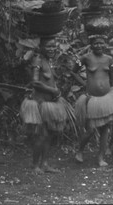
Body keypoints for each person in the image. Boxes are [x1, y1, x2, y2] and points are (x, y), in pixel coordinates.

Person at [20, 36, 74, 174]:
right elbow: (35, 82)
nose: (52, 49)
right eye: (48, 46)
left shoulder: (49, 62)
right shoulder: (38, 60)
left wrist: (56, 92)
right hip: (39, 104)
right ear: (41, 47)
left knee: (49, 134)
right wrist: (53, 90)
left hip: (50, 103)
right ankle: (35, 165)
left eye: (53, 46)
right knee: (41, 135)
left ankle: (44, 164)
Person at [73, 34, 113, 167]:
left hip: (106, 98)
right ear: (91, 45)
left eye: (101, 43)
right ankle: (80, 150)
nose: (99, 46)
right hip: (92, 99)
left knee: (105, 128)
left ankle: (101, 157)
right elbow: (74, 72)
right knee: (91, 129)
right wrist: (83, 83)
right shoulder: (86, 58)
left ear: (105, 44)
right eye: (96, 43)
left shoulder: (109, 59)